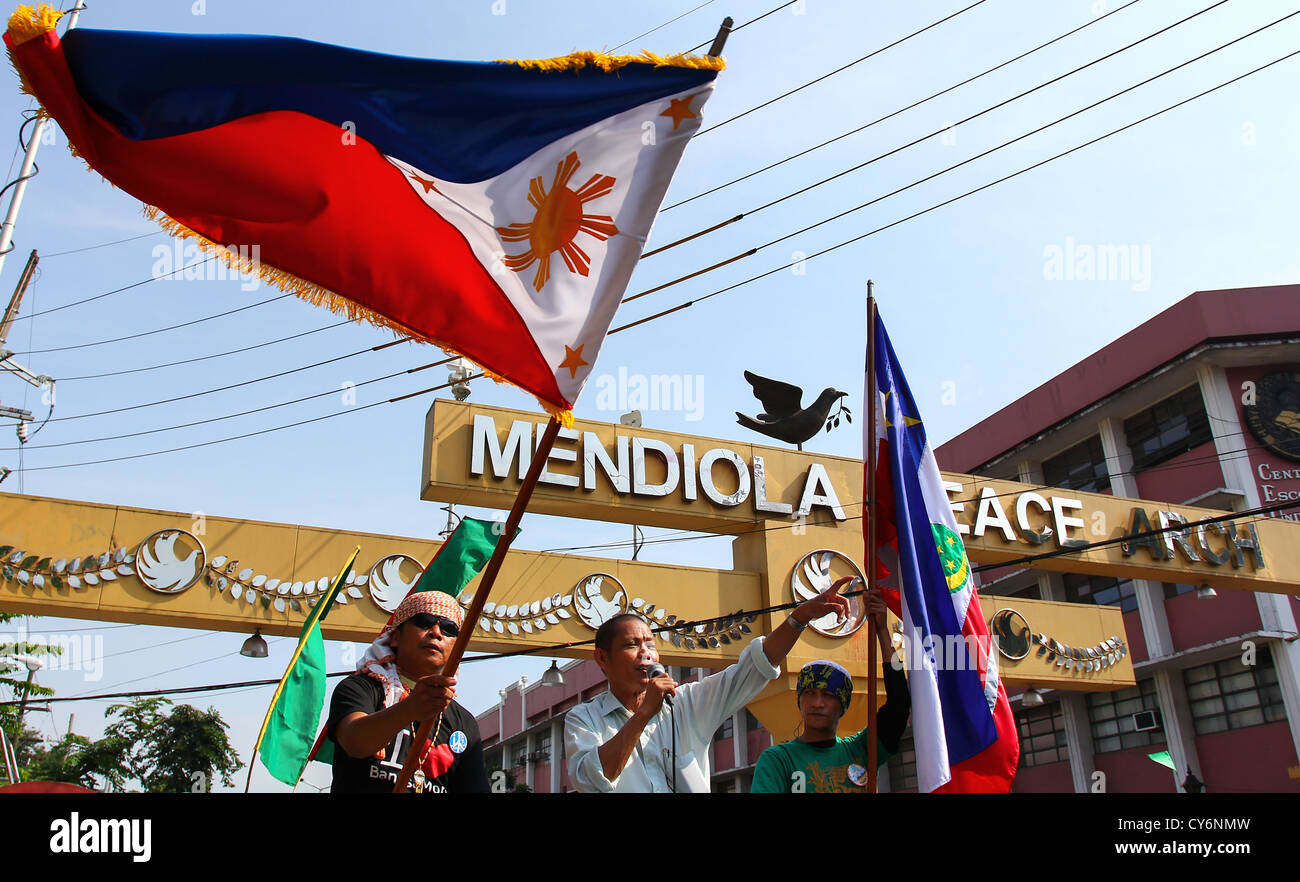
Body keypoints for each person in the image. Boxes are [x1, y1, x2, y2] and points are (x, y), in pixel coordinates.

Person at [565, 577, 853, 793]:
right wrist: (643, 715)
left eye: (650, 645)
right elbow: (592, 777)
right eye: (632, 644)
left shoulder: (687, 702)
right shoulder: (583, 719)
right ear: (602, 658)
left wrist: (800, 617)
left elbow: (752, 669)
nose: (646, 654)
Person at [326, 591, 489, 794]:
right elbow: (354, 742)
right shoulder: (361, 688)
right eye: (424, 622)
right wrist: (410, 708)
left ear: (456, 648)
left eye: (449, 629)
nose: (436, 632)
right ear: (395, 637)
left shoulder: (463, 722)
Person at [750, 588, 910, 792]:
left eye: (827, 695)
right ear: (799, 700)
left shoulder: (861, 750)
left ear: (843, 705)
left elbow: (900, 705)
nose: (817, 703)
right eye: (809, 693)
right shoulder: (778, 760)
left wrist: (882, 632)